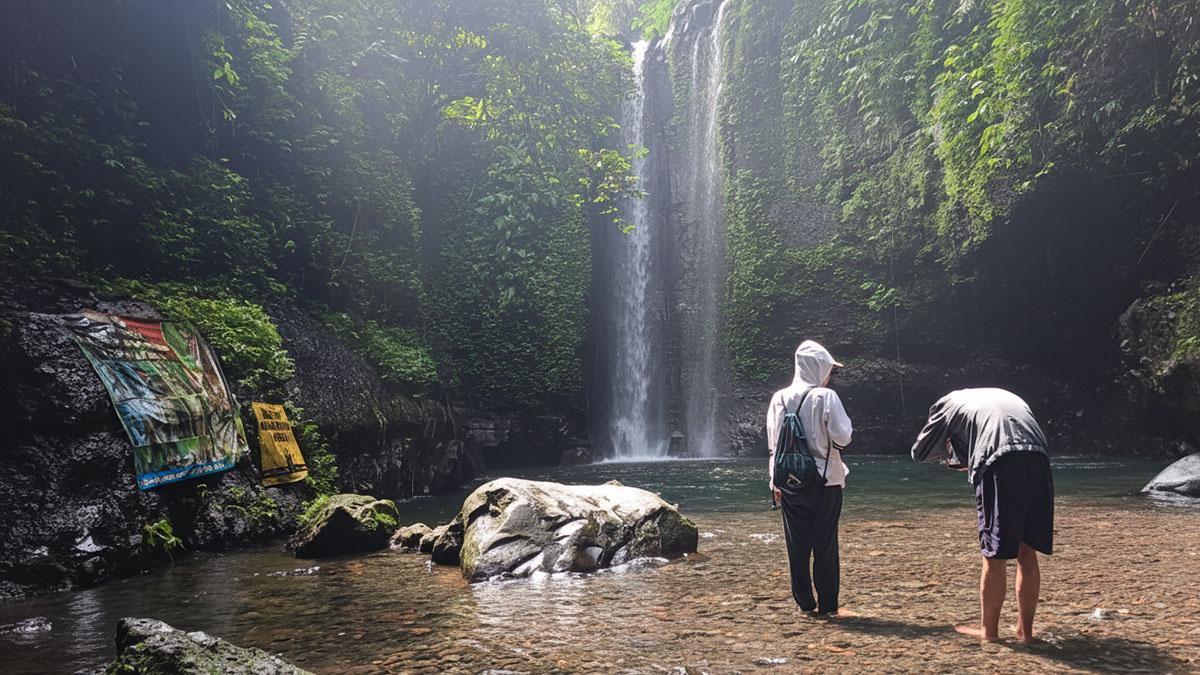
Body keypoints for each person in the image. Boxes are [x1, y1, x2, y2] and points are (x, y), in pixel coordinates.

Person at [910, 387, 1054, 643]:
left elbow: (919, 453)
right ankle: (1025, 633)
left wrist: (948, 453)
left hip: (1000, 461)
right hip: (1039, 458)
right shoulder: (1000, 396)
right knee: (1026, 550)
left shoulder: (945, 406)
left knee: (994, 553)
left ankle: (989, 634)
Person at [767, 340, 853, 616]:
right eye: (828, 368)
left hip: (789, 482)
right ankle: (828, 607)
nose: (829, 375)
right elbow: (843, 437)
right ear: (818, 368)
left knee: (797, 545)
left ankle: (805, 604)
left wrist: (774, 481)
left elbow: (774, 445)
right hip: (825, 482)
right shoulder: (826, 397)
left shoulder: (778, 398)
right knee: (825, 544)